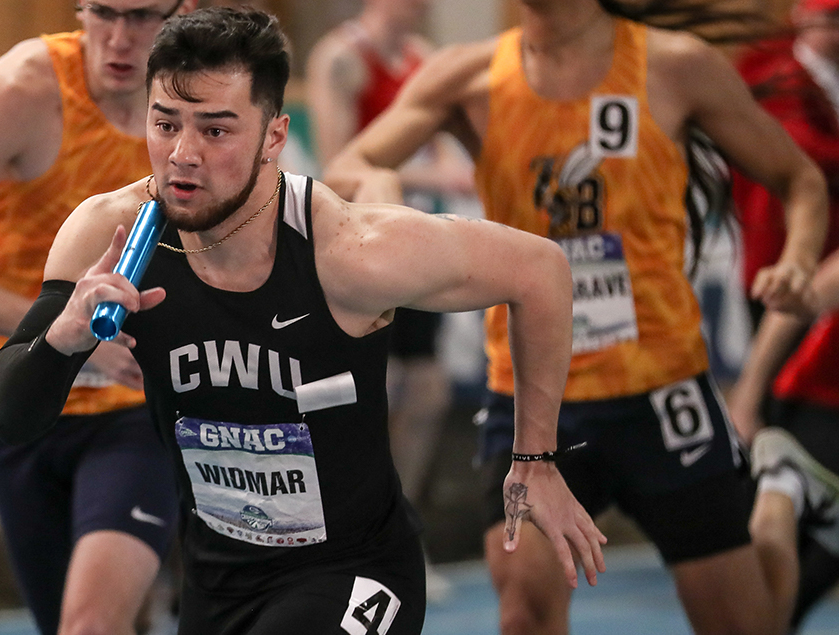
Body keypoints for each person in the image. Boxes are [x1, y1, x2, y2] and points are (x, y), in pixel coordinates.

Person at [0, 8, 607, 634]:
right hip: (216, 583)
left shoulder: (347, 250)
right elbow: (12, 416)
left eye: (216, 131)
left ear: (274, 137)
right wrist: (63, 336)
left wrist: (537, 460)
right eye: (164, 123)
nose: (183, 155)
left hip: (358, 574)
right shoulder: (110, 235)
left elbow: (541, 270)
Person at [326, 0, 836, 633]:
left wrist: (798, 260)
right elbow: (352, 163)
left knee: (749, 624)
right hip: (534, 402)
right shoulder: (470, 75)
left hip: (663, 393)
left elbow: (800, 179)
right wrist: (383, 193)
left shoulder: (674, 66)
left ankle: (780, 502)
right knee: (525, 616)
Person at [0, 2, 197, 634]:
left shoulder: (204, 103)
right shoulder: (23, 91)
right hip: (20, 394)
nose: (117, 38)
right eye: (101, 12)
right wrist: (68, 337)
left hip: (135, 406)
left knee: (90, 626)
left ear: (182, 12)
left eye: (141, 17)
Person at [304, 0, 470, 514]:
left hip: (413, 245)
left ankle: (399, 518)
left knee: (429, 390)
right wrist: (431, 176)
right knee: (359, 395)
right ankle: (343, 521)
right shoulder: (341, 57)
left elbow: (442, 140)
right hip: (358, 247)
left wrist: (447, 168)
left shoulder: (425, 58)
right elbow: (337, 165)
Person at [730, 2, 839, 627]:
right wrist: (748, 395)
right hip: (784, 280)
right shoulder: (768, 82)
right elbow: (805, 296)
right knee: (781, 467)